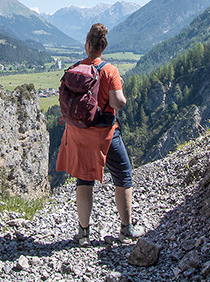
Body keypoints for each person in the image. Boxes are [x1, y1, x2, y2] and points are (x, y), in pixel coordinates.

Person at [55, 23, 144, 245]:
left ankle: (83, 233)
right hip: (104, 134)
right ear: (103, 47)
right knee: (123, 174)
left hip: (78, 132)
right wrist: (120, 87)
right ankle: (126, 229)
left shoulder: (74, 69)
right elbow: (118, 103)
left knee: (84, 180)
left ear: (87, 45)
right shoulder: (110, 70)